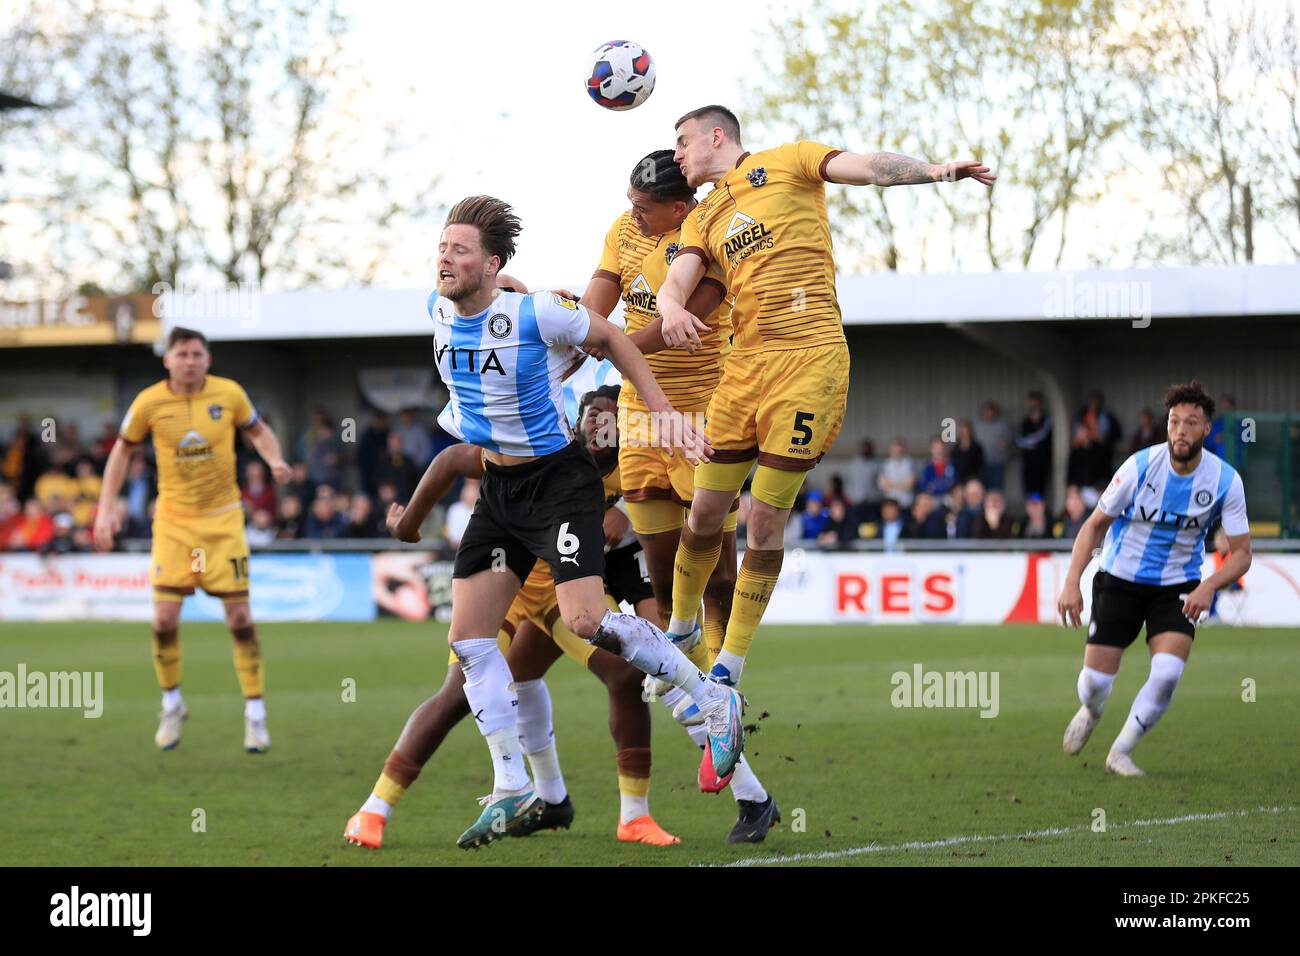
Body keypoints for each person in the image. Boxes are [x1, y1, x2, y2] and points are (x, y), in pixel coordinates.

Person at [422, 195, 739, 849]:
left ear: (492, 262)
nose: (445, 258)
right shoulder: (438, 310)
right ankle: (512, 786)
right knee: (472, 642)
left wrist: (661, 412)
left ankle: (709, 698)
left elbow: (614, 337)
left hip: (558, 484)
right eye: (441, 247)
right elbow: (490, 295)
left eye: (459, 249)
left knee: (587, 621)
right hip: (499, 491)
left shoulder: (539, 311)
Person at [655, 104, 992, 693]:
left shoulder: (789, 161)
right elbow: (679, 278)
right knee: (706, 513)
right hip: (744, 368)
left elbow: (866, 167)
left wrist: (937, 172)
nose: (676, 155)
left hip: (810, 362)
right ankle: (681, 628)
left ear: (716, 136)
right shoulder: (701, 217)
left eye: (682, 142)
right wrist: (669, 306)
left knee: (763, 517)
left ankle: (729, 665)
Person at [93, 326, 291, 753]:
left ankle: (255, 715)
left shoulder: (229, 394)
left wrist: (274, 459)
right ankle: (171, 703)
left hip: (222, 523)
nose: (190, 360)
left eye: (197, 353)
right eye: (181, 353)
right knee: (163, 621)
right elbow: (121, 452)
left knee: (239, 621)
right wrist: (106, 507)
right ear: (167, 360)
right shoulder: (149, 401)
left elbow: (257, 431)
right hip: (173, 523)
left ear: (207, 358)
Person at [1056, 380, 1251, 776]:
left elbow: (1242, 553)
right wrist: (1071, 582)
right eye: (1174, 421)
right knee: (1095, 683)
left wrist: (1208, 585)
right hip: (1120, 579)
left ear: (1206, 429)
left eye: (1191, 422)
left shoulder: (1225, 481)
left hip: (1178, 587)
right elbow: (1094, 525)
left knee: (1166, 674)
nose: (1181, 430)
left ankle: (1121, 751)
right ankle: (1091, 712)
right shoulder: (1139, 467)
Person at [1017, 391, 1053, 498]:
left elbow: (1044, 437)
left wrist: (1030, 442)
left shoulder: (1046, 421)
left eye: (1036, 403)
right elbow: (1020, 441)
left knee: (1039, 488)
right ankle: (1031, 507)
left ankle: (1038, 507)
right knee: (1028, 487)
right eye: (1031, 403)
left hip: (1042, 461)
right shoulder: (1025, 422)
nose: (1033, 406)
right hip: (1028, 461)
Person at [973, 400, 1012, 490]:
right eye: (987, 411)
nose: (989, 414)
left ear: (995, 412)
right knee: (982, 488)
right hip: (981, 463)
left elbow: (1009, 440)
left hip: (997, 462)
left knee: (996, 488)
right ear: (983, 412)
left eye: (991, 411)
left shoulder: (1003, 425)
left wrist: (1005, 444)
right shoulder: (978, 425)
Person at [878, 438, 917, 511]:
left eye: (899, 450)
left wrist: (890, 484)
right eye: (895, 449)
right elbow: (882, 485)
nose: (897, 451)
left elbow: (910, 484)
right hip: (890, 505)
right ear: (891, 449)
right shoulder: (885, 464)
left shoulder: (910, 463)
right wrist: (902, 484)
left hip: (906, 503)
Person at [951, 419, 985, 485]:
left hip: (973, 478)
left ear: (970, 432)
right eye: (962, 432)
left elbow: (981, 465)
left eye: (966, 432)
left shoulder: (976, 447)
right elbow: (953, 463)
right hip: (958, 478)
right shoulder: (956, 447)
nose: (964, 434)